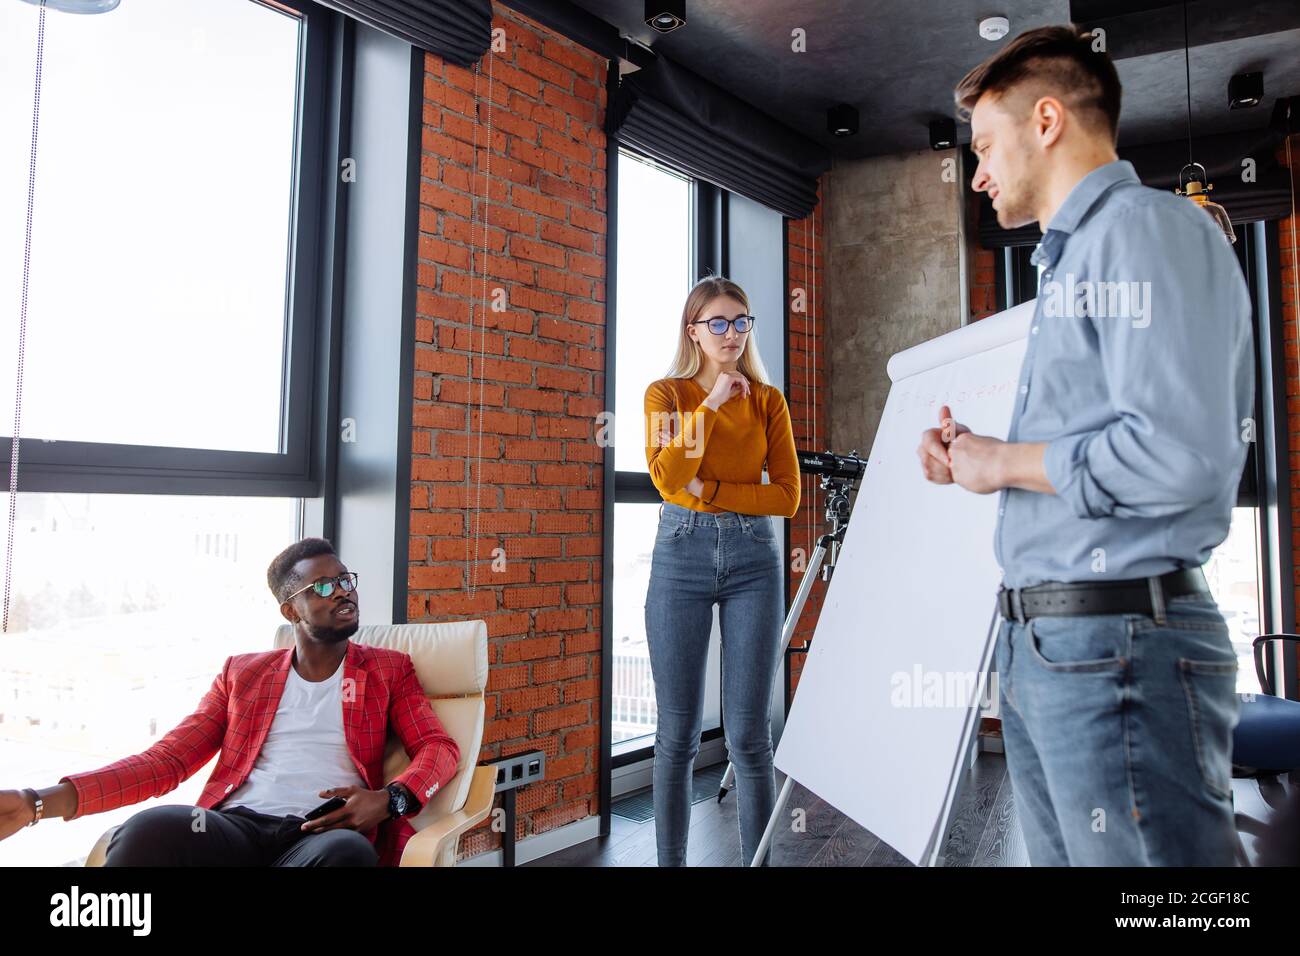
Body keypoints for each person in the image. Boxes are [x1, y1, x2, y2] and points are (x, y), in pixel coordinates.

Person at [916, 25, 1252, 865]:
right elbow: (1098, 442)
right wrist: (979, 455)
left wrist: (1004, 462)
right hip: (1056, 653)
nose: (979, 173)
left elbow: (1180, 459)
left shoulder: (1145, 230)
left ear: (1048, 120)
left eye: (986, 146)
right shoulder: (1067, 266)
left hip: (1117, 651)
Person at [0, 538, 460, 866]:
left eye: (345, 579)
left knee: (346, 854)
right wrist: (38, 803)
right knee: (148, 829)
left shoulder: (387, 669)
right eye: (321, 587)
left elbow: (439, 748)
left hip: (320, 835)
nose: (342, 590)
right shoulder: (244, 673)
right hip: (233, 828)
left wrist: (390, 799)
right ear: (289, 610)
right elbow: (167, 761)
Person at [642, 275, 801, 866]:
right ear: (694, 330)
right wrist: (710, 404)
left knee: (750, 737)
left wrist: (707, 487)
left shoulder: (769, 401)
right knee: (676, 736)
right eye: (718, 322)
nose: (731, 333)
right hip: (678, 556)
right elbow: (663, 476)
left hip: (753, 561)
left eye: (741, 321)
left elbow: (785, 498)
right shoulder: (666, 395)